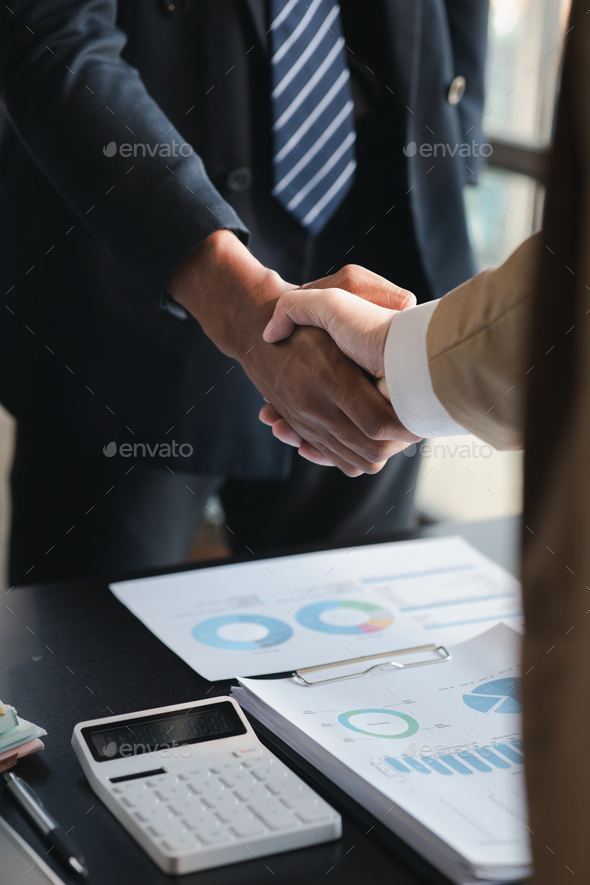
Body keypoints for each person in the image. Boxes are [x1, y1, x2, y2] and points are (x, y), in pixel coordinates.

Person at [261, 2, 590, 879]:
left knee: (353, 707)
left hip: (385, 235)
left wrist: (405, 362)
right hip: (132, 301)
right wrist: (405, 360)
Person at [0, 0, 488, 584]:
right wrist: (246, 305)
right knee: (98, 659)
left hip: (376, 254)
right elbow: (52, 37)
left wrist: (453, 149)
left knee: (345, 641)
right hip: (132, 276)